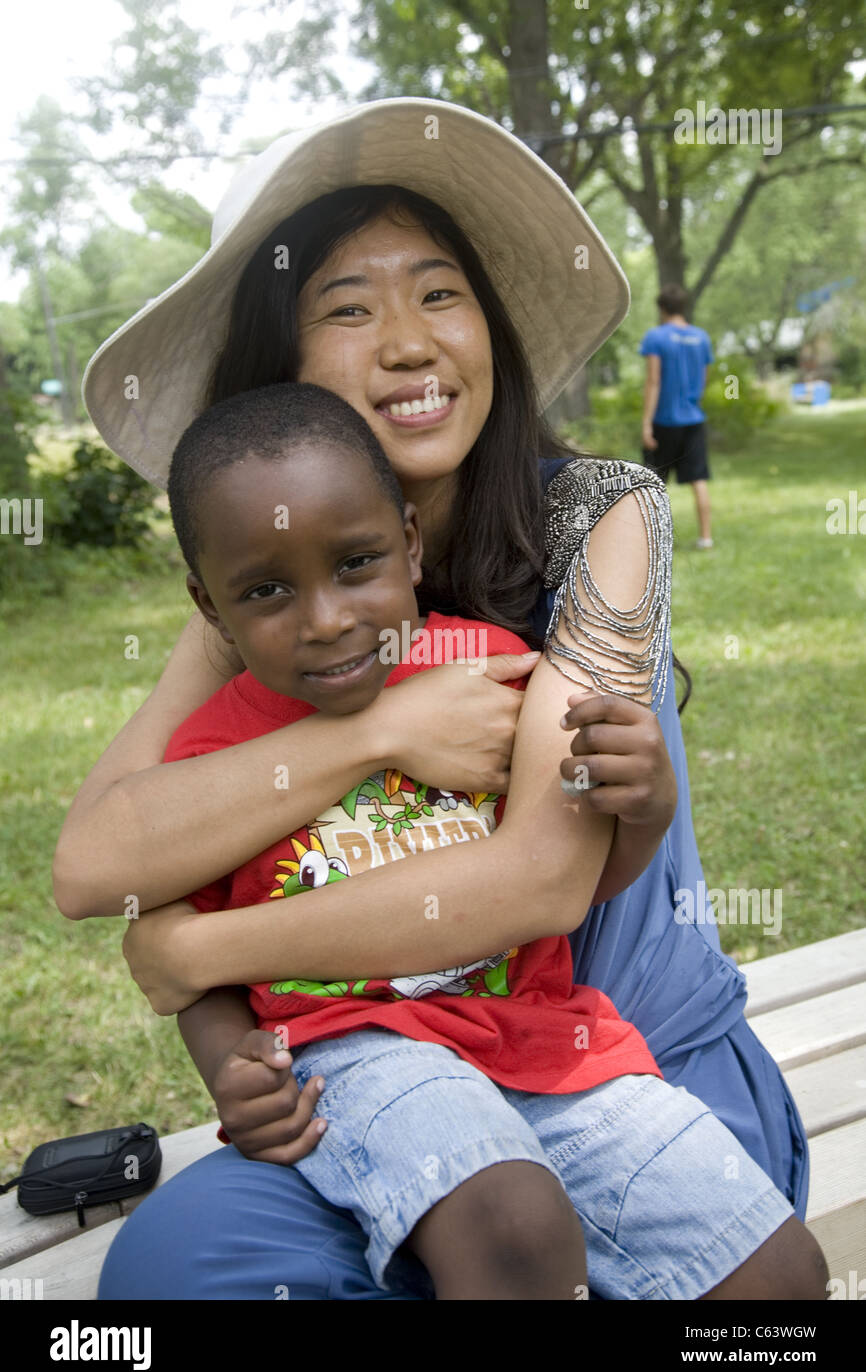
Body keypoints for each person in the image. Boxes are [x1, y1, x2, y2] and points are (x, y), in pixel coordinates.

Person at [53, 99, 820, 1300]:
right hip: (391, 1074)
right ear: (281, 373)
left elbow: (538, 880)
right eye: (347, 309)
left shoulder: (595, 512)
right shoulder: (265, 594)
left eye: (439, 293)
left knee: (645, 1264)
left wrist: (194, 945)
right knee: (174, 1267)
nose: (408, 342)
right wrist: (386, 729)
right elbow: (95, 864)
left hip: (620, 1065)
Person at [156, 378, 799, 1300]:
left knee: (777, 1272)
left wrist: (644, 808)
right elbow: (191, 967)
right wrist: (229, 1065)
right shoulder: (215, 755)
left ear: (410, 546)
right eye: (265, 590)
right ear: (210, 607)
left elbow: (581, 877)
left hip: (543, 1036)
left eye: (355, 564)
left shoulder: (490, 671)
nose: (328, 619)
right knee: (513, 1228)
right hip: (357, 1050)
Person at [640, 284, 714, 548]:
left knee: (653, 482)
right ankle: (706, 537)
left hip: (664, 421)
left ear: (661, 308)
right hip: (694, 418)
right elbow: (704, 378)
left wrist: (647, 423)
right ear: (684, 307)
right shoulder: (701, 338)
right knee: (699, 479)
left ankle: (653, 542)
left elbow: (653, 380)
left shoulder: (655, 338)